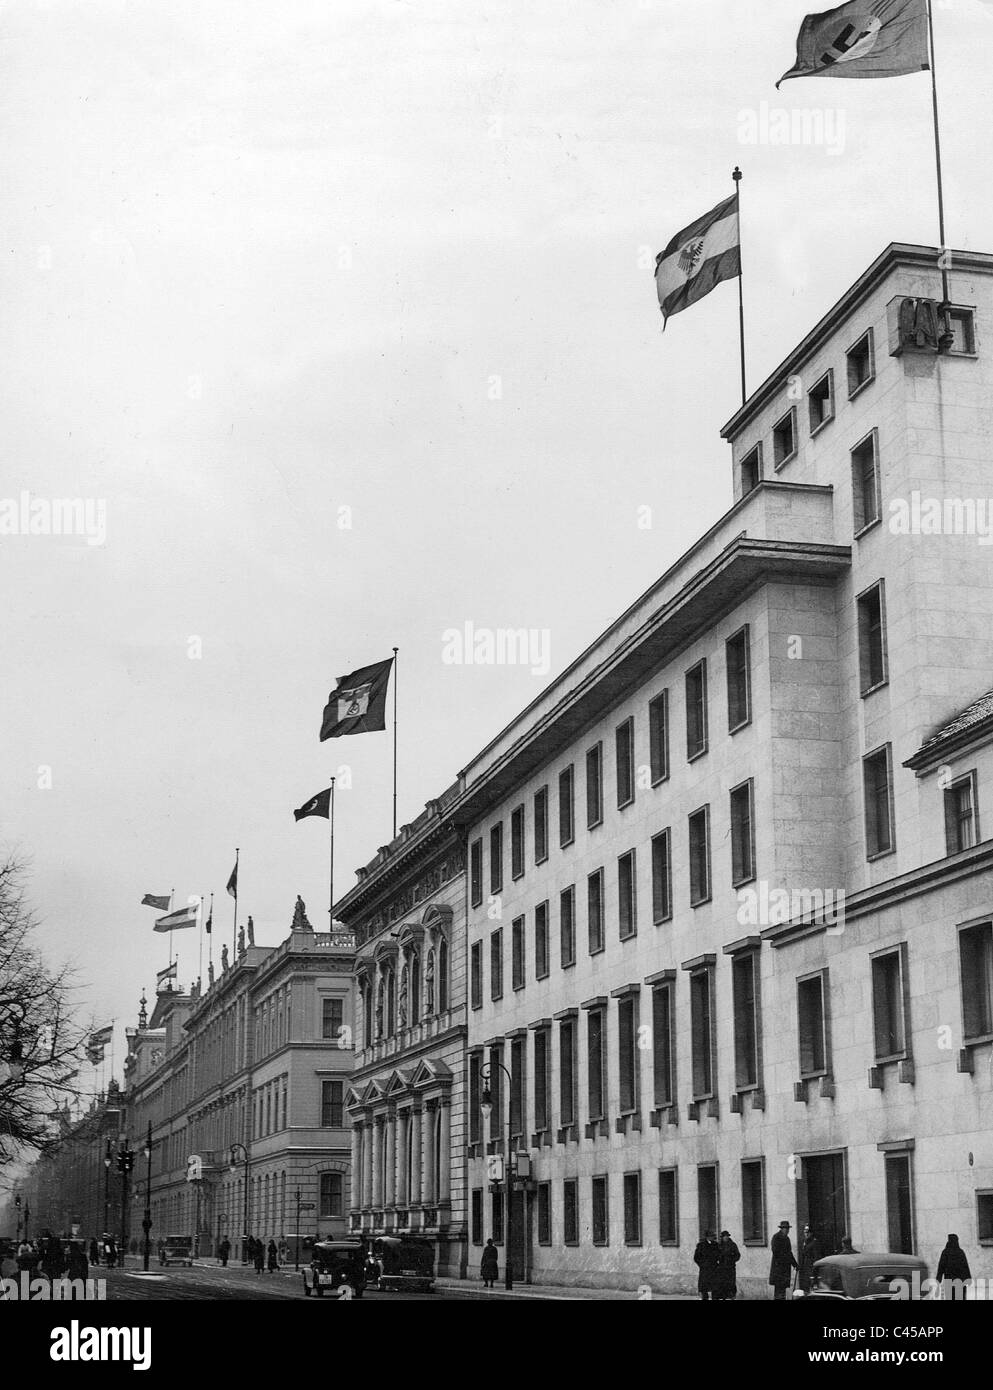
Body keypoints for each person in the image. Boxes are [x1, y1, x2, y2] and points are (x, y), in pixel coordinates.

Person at [936, 1234, 971, 1300]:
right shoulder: (960, 1252)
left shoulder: (945, 1252)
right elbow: (965, 1266)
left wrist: (939, 1278)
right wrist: (968, 1278)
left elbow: (941, 1266)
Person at [769, 1220, 798, 1300]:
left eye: (788, 1228)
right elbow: (775, 1251)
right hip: (778, 1268)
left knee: (783, 1290)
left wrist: (795, 1264)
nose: (787, 1230)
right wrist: (784, 1259)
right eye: (785, 1228)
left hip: (784, 1269)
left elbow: (789, 1253)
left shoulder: (787, 1239)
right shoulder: (776, 1237)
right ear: (781, 1229)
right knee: (779, 1290)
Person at [693, 1229, 721, 1302]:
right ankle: (704, 1298)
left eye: (713, 1236)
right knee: (704, 1287)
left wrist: (717, 1262)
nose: (713, 1238)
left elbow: (719, 1255)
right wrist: (702, 1265)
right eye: (711, 1236)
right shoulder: (701, 1245)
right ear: (707, 1237)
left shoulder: (716, 1245)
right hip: (705, 1269)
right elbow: (696, 1257)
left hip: (714, 1268)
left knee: (715, 1286)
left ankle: (715, 1298)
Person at [715, 1230, 741, 1301]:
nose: (726, 1238)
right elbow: (716, 1254)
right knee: (722, 1283)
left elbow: (737, 1255)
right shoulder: (719, 1245)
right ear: (722, 1237)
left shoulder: (732, 1245)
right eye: (724, 1236)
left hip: (730, 1267)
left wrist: (732, 1260)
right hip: (721, 1267)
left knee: (731, 1283)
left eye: (727, 1236)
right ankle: (723, 1297)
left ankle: (732, 1296)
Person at [798, 1224, 820, 1294]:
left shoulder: (814, 1242)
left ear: (811, 1233)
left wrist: (814, 1268)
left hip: (811, 1269)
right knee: (805, 1287)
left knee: (812, 1287)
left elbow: (816, 1257)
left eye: (808, 1232)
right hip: (805, 1269)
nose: (806, 1234)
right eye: (805, 1232)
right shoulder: (805, 1242)